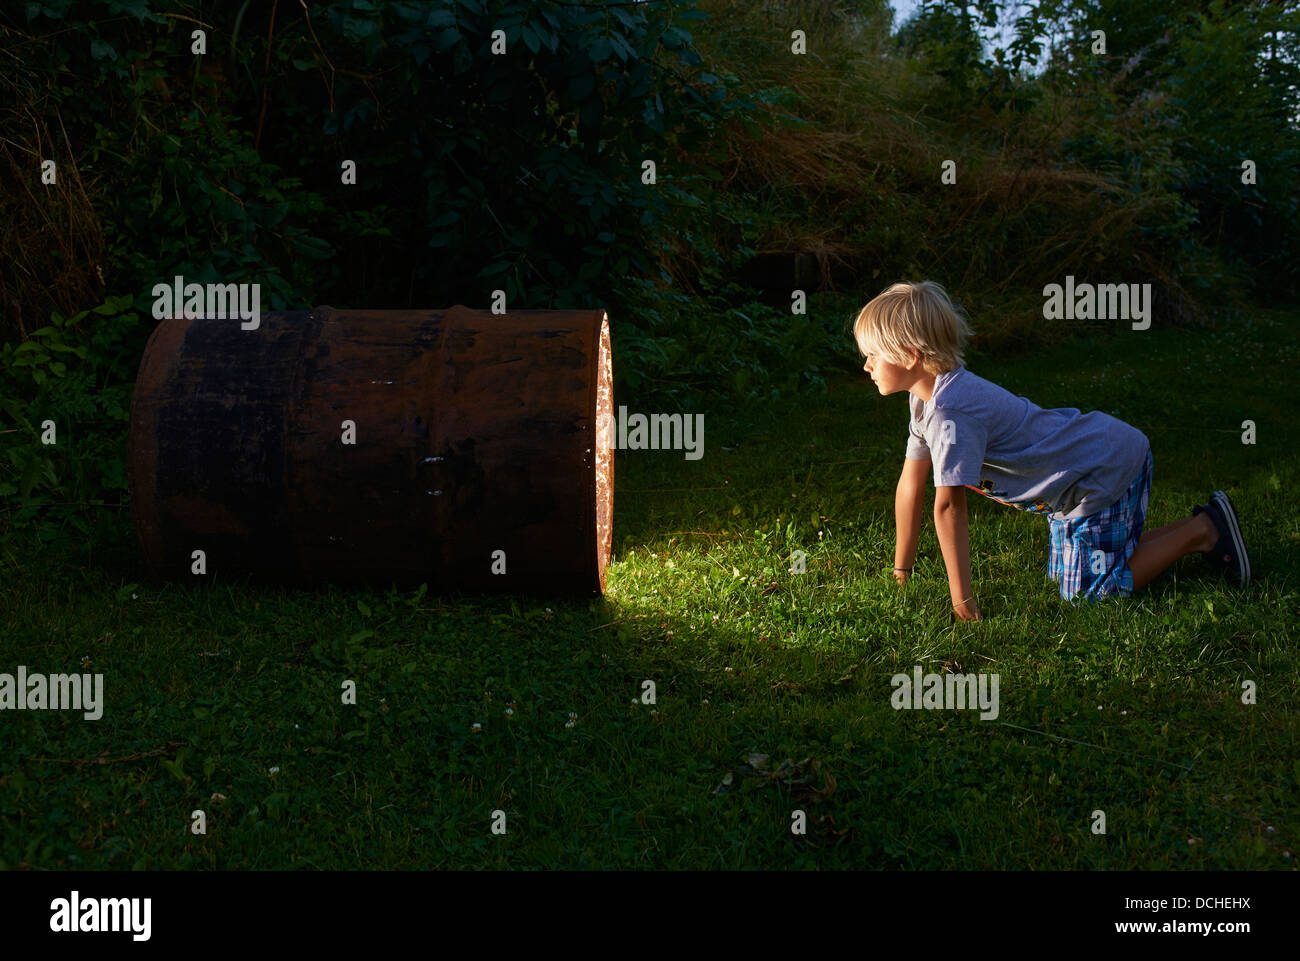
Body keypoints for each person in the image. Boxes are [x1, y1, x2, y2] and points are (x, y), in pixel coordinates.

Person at [853, 280, 1251, 621]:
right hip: (1077, 480)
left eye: (873, 355)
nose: (867, 365)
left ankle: (1205, 530)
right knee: (1067, 579)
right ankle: (1201, 525)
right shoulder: (926, 399)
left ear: (910, 356)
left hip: (1099, 471)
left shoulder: (949, 411)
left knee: (1087, 596)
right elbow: (911, 485)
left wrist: (964, 604)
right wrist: (900, 570)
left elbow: (947, 507)